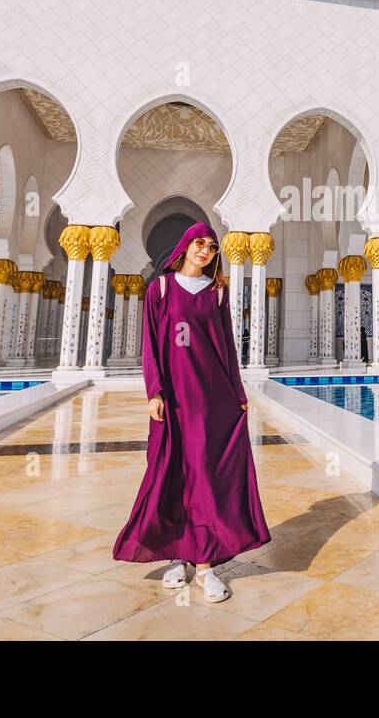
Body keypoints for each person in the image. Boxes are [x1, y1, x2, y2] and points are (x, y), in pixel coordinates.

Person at [112, 222, 270, 603]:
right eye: (200, 243)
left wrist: (237, 390)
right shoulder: (160, 289)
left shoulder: (217, 293)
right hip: (174, 400)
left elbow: (228, 348)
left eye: (213, 248)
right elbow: (150, 345)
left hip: (212, 400)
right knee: (169, 474)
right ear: (185, 245)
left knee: (205, 477)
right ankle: (176, 556)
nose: (206, 251)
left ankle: (205, 565)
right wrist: (155, 392)